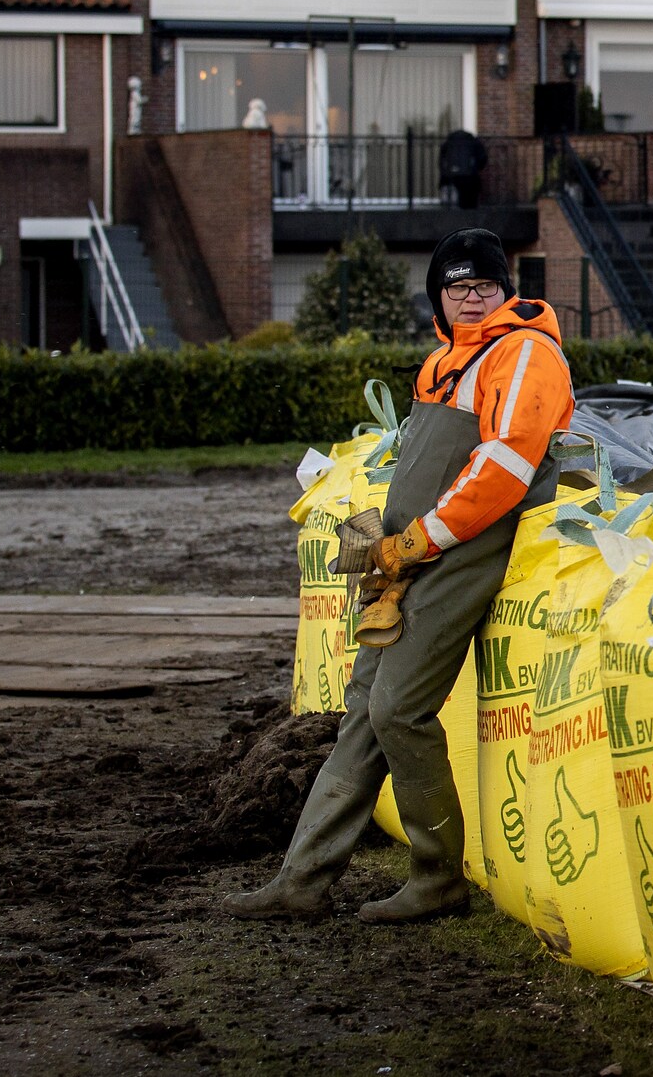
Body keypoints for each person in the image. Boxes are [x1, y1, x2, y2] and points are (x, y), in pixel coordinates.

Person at [227, 228, 573, 923]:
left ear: (506, 291)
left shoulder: (526, 354)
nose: (471, 298)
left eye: (484, 286)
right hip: (410, 556)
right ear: (438, 299)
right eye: (456, 287)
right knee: (363, 713)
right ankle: (302, 881)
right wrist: (389, 545)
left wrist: (417, 541)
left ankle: (437, 877)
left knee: (396, 711)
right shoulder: (441, 362)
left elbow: (505, 467)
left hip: (464, 553)